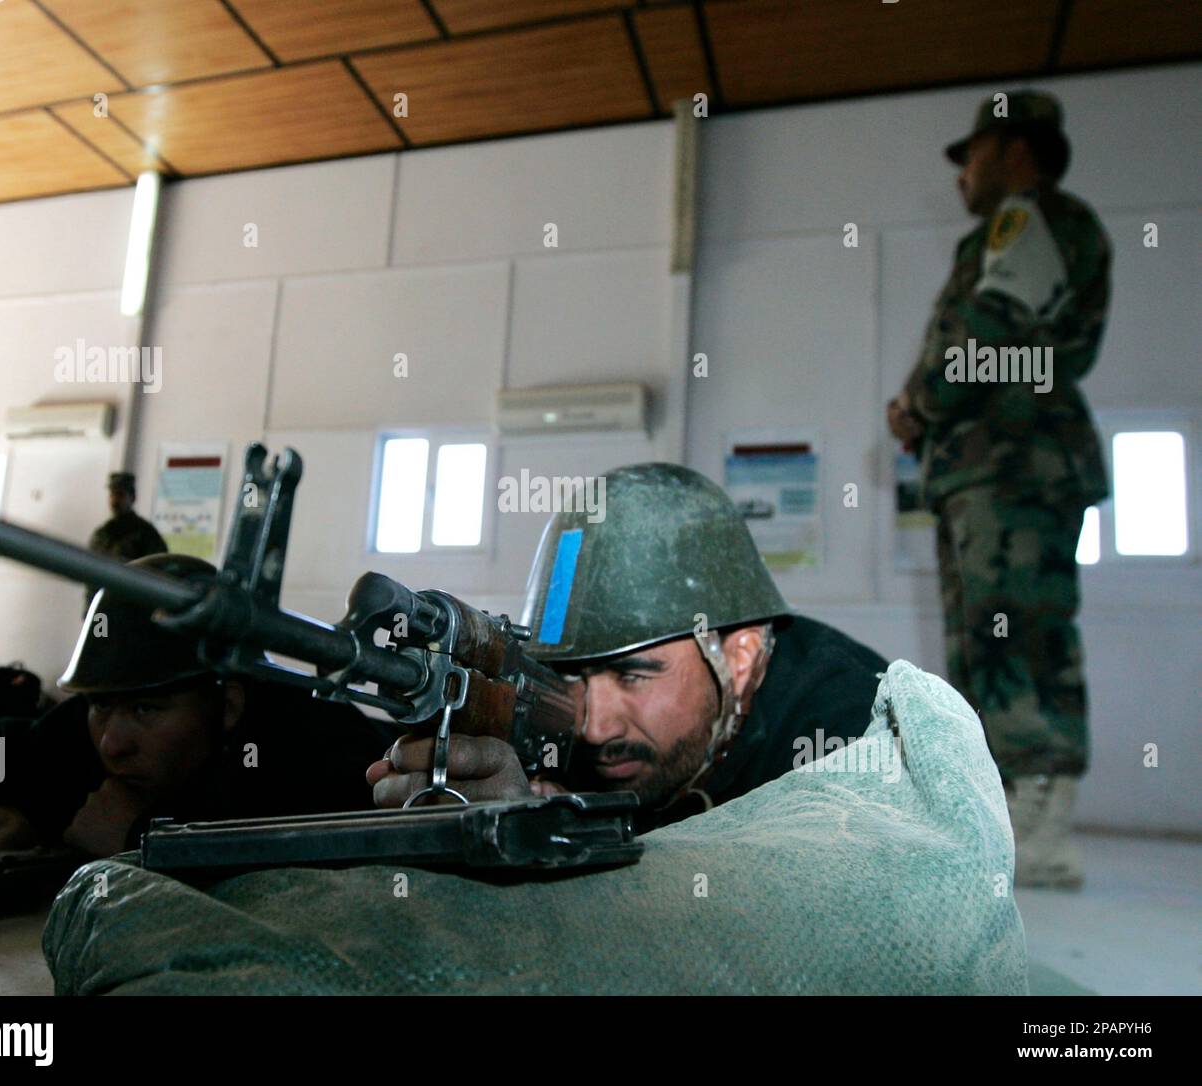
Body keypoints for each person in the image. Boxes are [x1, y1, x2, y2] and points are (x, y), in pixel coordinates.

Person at [368, 463, 888, 832]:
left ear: (740, 657)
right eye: (571, 677)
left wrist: (553, 839)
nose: (596, 727)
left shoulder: (852, 732)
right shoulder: (568, 730)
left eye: (633, 676)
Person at [886, 89, 1110, 888]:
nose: (961, 175)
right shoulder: (1005, 229)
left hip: (1018, 466)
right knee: (985, 642)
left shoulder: (1030, 218)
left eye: (971, 154)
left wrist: (915, 404)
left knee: (1020, 638)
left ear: (1017, 150)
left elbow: (988, 333)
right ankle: (1003, 811)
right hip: (986, 471)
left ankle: (1042, 823)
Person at [0, 553, 397, 858]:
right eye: (102, 707)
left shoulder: (310, 739)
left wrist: (143, 838)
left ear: (227, 705)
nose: (113, 744)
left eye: (147, 711)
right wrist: (14, 816)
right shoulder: (92, 720)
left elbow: (318, 863)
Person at [85, 472, 166, 611]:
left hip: (132, 610)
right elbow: (90, 574)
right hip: (102, 609)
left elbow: (159, 572)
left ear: (132, 498)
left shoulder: (146, 534)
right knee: (101, 633)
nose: (115, 501)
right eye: (112, 495)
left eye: (120, 495)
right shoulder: (102, 534)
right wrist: (90, 610)